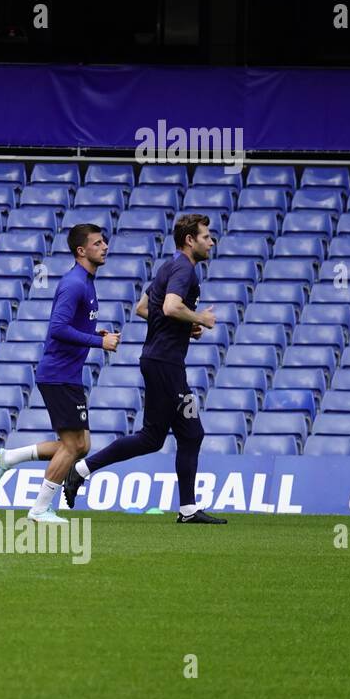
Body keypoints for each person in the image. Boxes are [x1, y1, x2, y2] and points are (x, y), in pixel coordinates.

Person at [62, 213, 225, 524]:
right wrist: (199, 319)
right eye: (206, 236)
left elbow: (143, 308)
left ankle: (84, 470)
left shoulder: (169, 265)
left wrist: (180, 327)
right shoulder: (183, 270)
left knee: (165, 437)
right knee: (182, 433)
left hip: (162, 361)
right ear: (190, 240)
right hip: (165, 364)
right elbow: (170, 307)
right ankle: (83, 470)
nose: (211, 241)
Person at [0, 223, 120, 523]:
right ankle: (40, 509)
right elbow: (57, 329)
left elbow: (69, 325)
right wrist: (99, 341)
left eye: (104, 242)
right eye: (98, 243)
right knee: (73, 446)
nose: (105, 247)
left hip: (65, 375)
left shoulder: (85, 281)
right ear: (81, 251)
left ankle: (8, 458)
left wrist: (92, 331)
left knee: (81, 445)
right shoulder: (75, 283)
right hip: (59, 375)